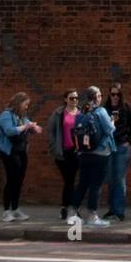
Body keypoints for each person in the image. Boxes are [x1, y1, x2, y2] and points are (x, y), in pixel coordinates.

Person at [67, 86, 115, 228]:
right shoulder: (101, 111)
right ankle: (92, 216)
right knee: (96, 185)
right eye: (100, 95)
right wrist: (113, 122)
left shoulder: (82, 111)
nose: (101, 97)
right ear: (96, 97)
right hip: (101, 153)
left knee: (82, 184)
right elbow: (109, 129)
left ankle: (72, 213)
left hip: (84, 154)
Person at [0, 92, 39, 223]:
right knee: (11, 180)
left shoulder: (21, 116)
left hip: (21, 152)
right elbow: (9, 130)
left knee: (19, 181)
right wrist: (25, 126)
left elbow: (28, 124)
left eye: (28, 105)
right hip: (9, 152)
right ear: (19, 103)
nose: (27, 107)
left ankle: (15, 209)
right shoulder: (5, 115)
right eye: (25, 104)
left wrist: (33, 127)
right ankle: (6, 211)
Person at [47, 87, 83, 220]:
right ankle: (70, 208)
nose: (74, 100)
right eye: (71, 98)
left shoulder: (81, 113)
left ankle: (67, 208)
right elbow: (51, 130)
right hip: (63, 152)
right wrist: (53, 146)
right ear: (65, 99)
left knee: (71, 180)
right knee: (69, 180)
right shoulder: (58, 113)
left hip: (77, 151)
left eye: (76, 98)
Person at [104, 83, 131, 220]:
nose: (115, 97)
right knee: (110, 178)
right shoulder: (105, 109)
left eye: (118, 94)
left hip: (122, 146)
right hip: (109, 146)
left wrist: (129, 140)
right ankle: (111, 209)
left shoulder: (126, 107)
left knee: (120, 179)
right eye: (113, 94)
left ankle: (119, 211)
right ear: (109, 95)